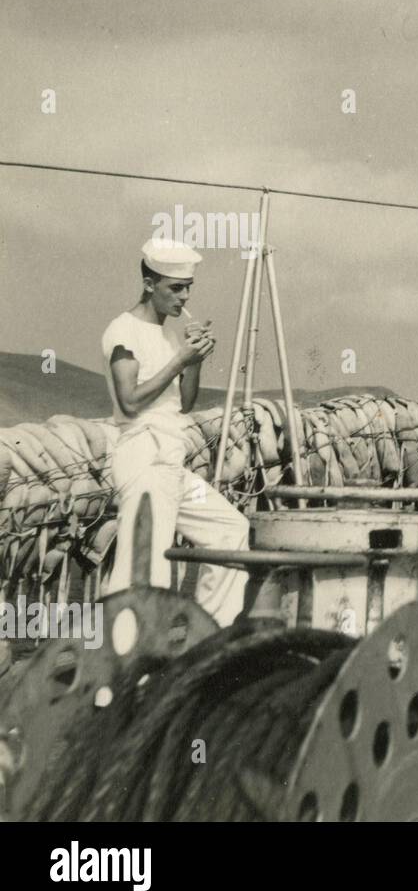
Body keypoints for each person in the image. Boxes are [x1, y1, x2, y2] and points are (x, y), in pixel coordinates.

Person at [101, 238, 249, 625]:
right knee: (144, 567)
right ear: (150, 285)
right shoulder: (124, 331)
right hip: (143, 457)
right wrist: (180, 359)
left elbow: (183, 402)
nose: (184, 297)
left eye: (188, 288)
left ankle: (211, 633)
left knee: (231, 529)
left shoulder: (169, 336)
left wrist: (193, 360)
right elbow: (129, 401)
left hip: (170, 461)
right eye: (175, 288)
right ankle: (127, 659)